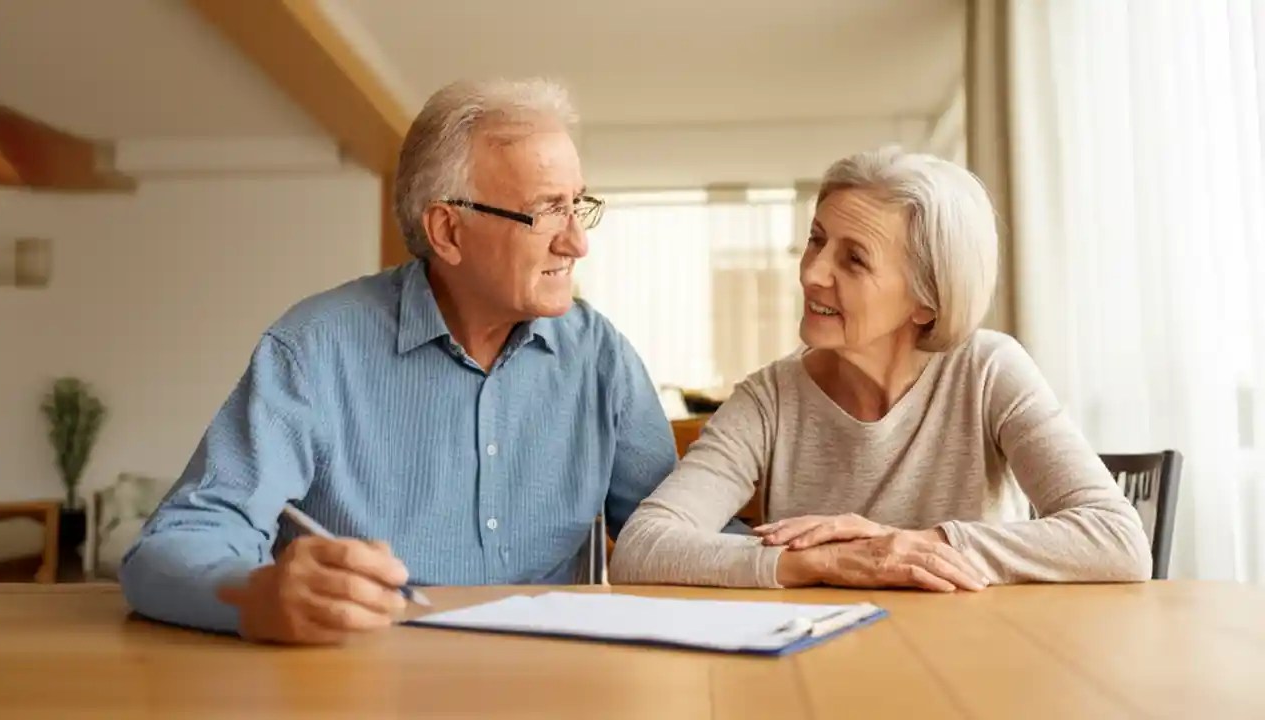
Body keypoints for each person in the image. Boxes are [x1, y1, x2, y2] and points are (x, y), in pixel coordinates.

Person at [119, 78, 677, 643]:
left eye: (577, 204)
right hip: (362, 681)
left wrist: (762, 551)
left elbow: (676, 531)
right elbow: (173, 545)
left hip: (551, 679)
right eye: (547, 211)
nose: (577, 243)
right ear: (447, 230)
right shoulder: (314, 348)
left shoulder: (598, 353)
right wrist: (253, 594)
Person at [610, 146, 1152, 592]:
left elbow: (1116, 539)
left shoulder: (987, 370)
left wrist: (918, 544)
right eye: (817, 240)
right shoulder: (769, 398)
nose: (813, 273)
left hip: (972, 664)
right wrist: (816, 563)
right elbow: (643, 547)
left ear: (926, 299)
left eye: (854, 259)